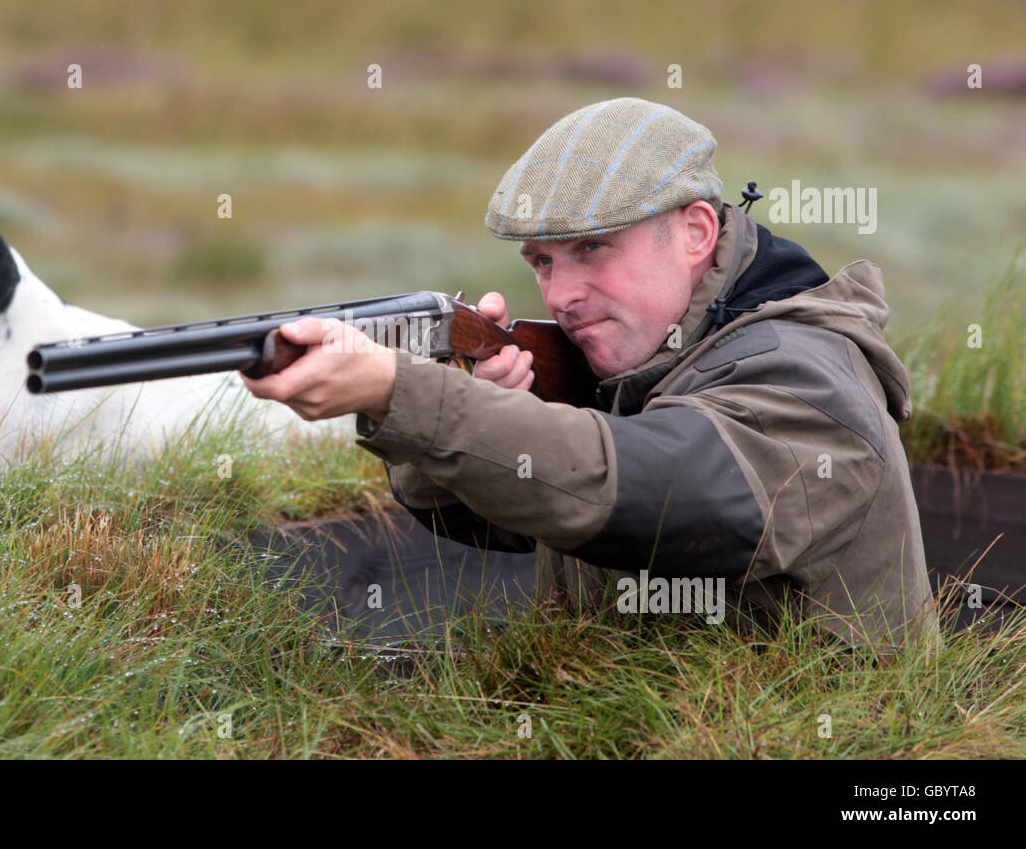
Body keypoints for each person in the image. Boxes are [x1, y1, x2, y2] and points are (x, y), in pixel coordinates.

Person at [239, 97, 938, 651]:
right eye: (542, 262)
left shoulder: (805, 375)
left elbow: (650, 496)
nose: (560, 296)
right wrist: (474, 410)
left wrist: (407, 391)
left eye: (593, 249)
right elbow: (498, 523)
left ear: (696, 232)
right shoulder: (645, 359)